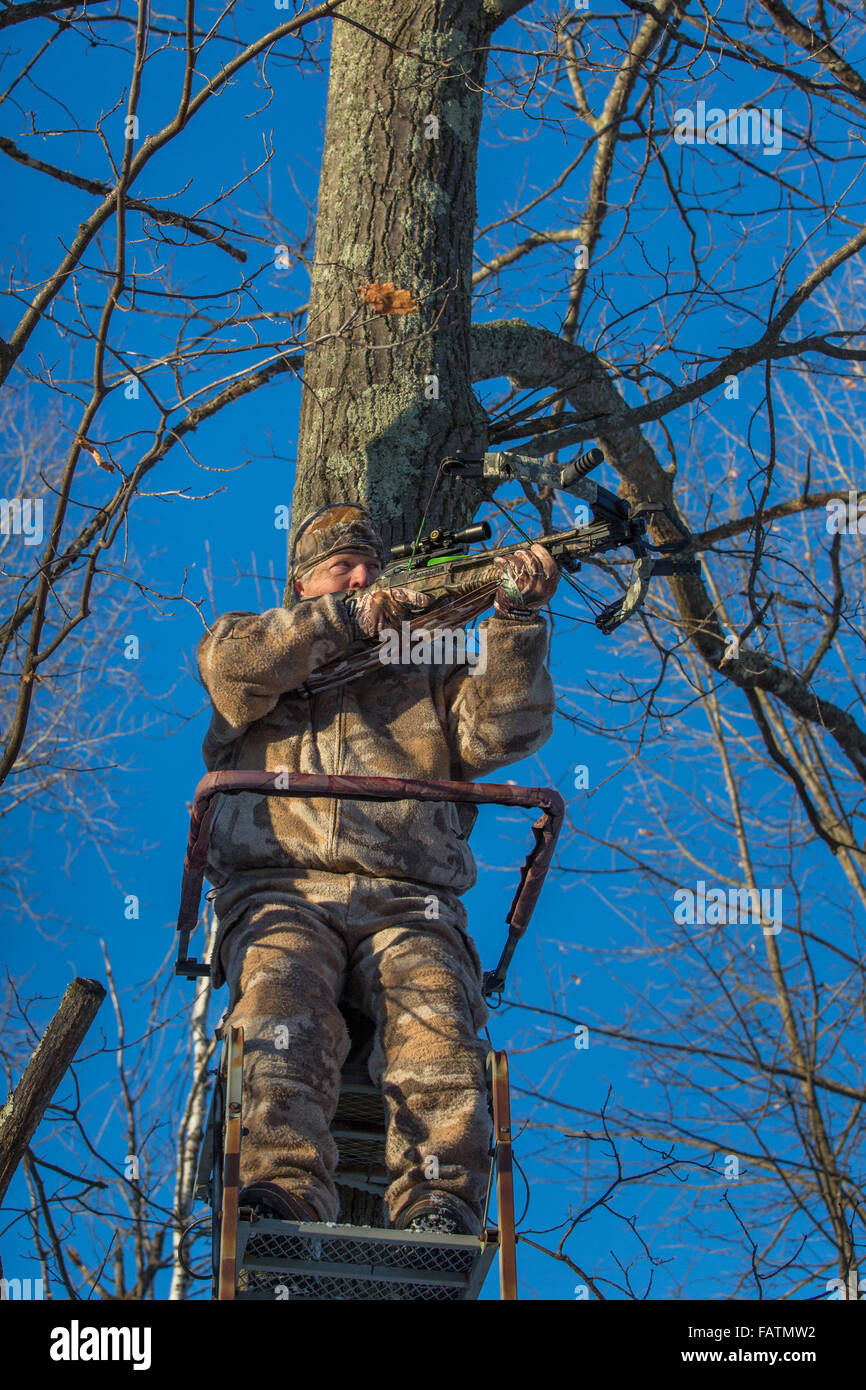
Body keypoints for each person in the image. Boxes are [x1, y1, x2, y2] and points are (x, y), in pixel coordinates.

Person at [196, 502, 559, 1235]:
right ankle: (280, 1195)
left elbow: (502, 732)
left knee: (440, 1024)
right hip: (281, 887)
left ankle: (439, 1204)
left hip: (410, 895)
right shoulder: (252, 645)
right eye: (341, 569)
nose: (360, 578)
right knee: (279, 1011)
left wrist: (516, 624)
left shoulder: (425, 661)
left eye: (369, 568)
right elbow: (236, 665)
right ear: (303, 584)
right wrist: (347, 622)